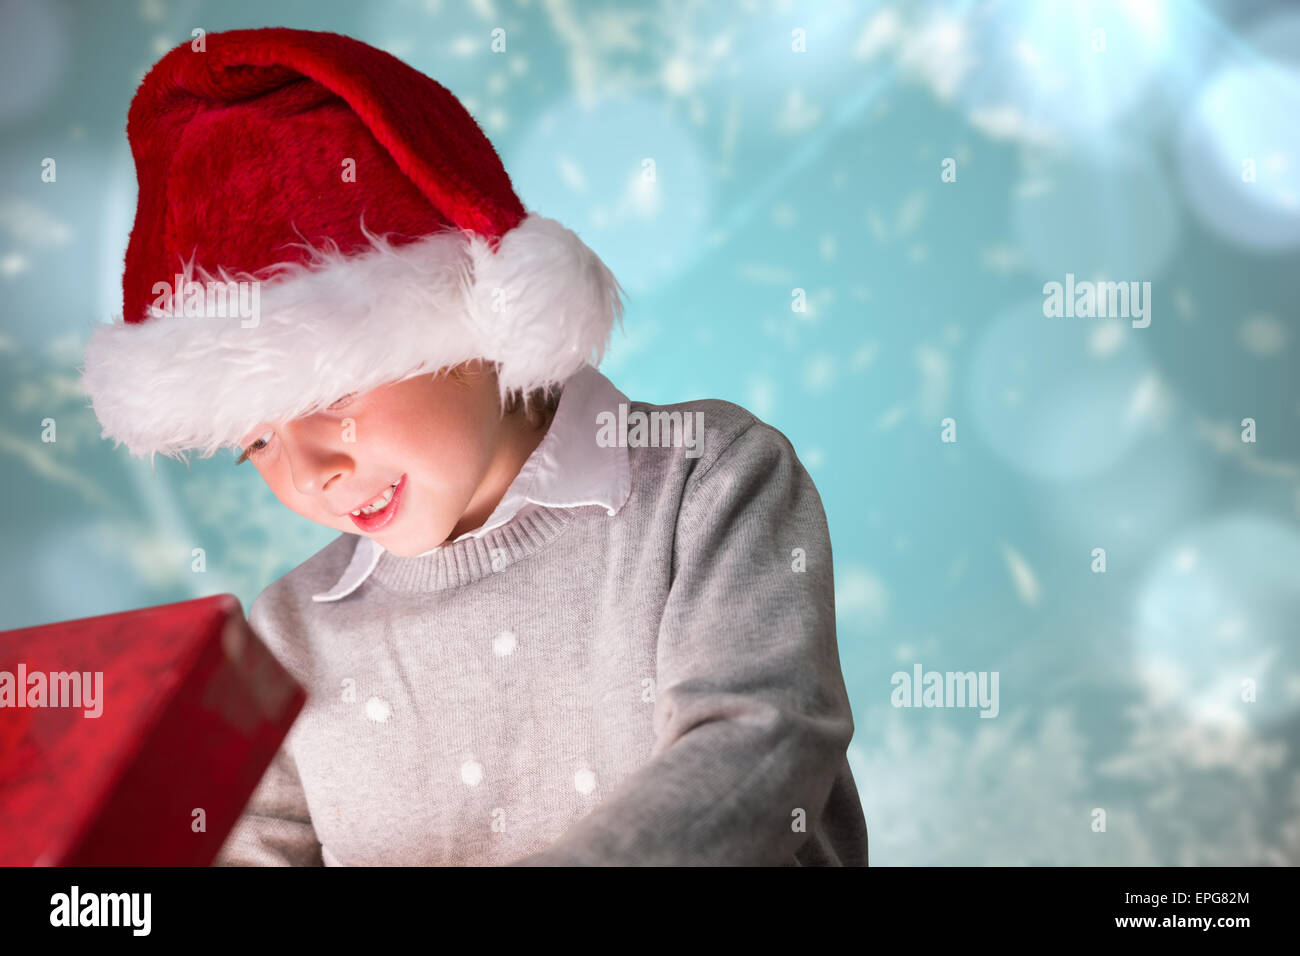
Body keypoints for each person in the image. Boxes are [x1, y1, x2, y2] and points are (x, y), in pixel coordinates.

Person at [78, 27, 868, 866]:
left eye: (328, 395)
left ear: (471, 323)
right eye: (258, 442)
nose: (312, 471)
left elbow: (758, 748)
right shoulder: (287, 635)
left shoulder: (704, 479)